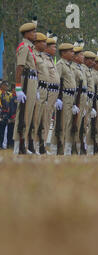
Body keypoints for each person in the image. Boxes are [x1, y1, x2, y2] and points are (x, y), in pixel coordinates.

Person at [13, 21, 39, 155]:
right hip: (26, 83)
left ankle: (24, 145)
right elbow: (19, 67)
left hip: (32, 83)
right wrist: (18, 88)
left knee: (28, 115)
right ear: (27, 34)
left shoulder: (30, 48)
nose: (35, 34)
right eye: (33, 32)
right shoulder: (24, 47)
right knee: (22, 115)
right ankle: (18, 146)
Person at [0, 81, 13, 149]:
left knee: (9, 131)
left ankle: (9, 144)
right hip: (1, 114)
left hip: (8, 115)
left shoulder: (9, 94)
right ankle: (0, 145)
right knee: (1, 131)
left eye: (7, 86)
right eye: (5, 85)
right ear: (1, 86)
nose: (6, 87)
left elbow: (11, 103)